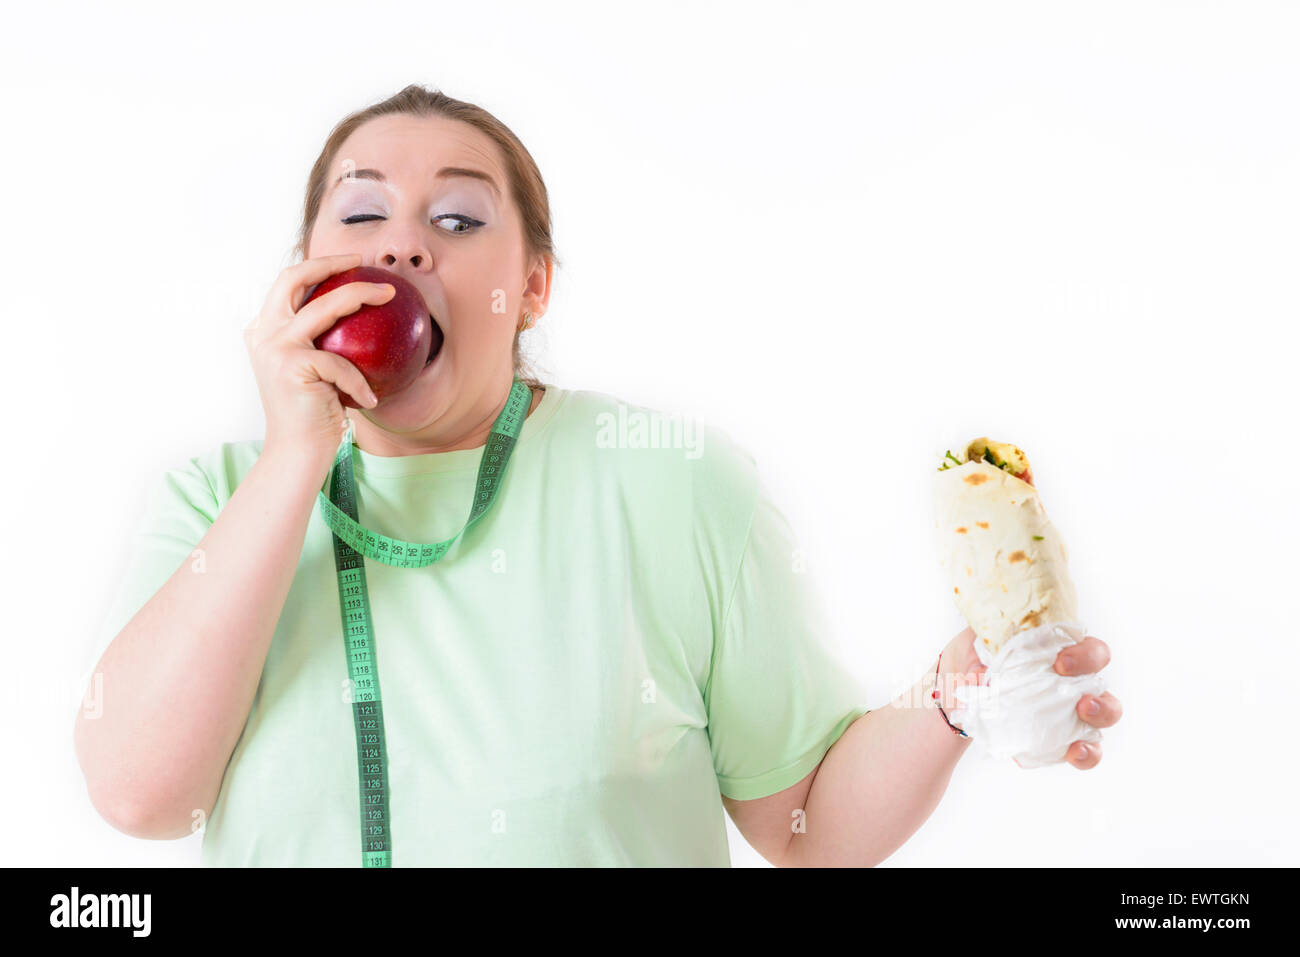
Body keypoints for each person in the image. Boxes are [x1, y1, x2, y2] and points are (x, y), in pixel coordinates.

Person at [73, 84, 1120, 868]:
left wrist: (952, 699)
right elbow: (139, 797)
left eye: (456, 220)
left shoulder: (673, 486)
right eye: (359, 217)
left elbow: (803, 828)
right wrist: (299, 454)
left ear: (531, 288)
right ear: (298, 270)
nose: (399, 251)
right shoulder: (217, 503)